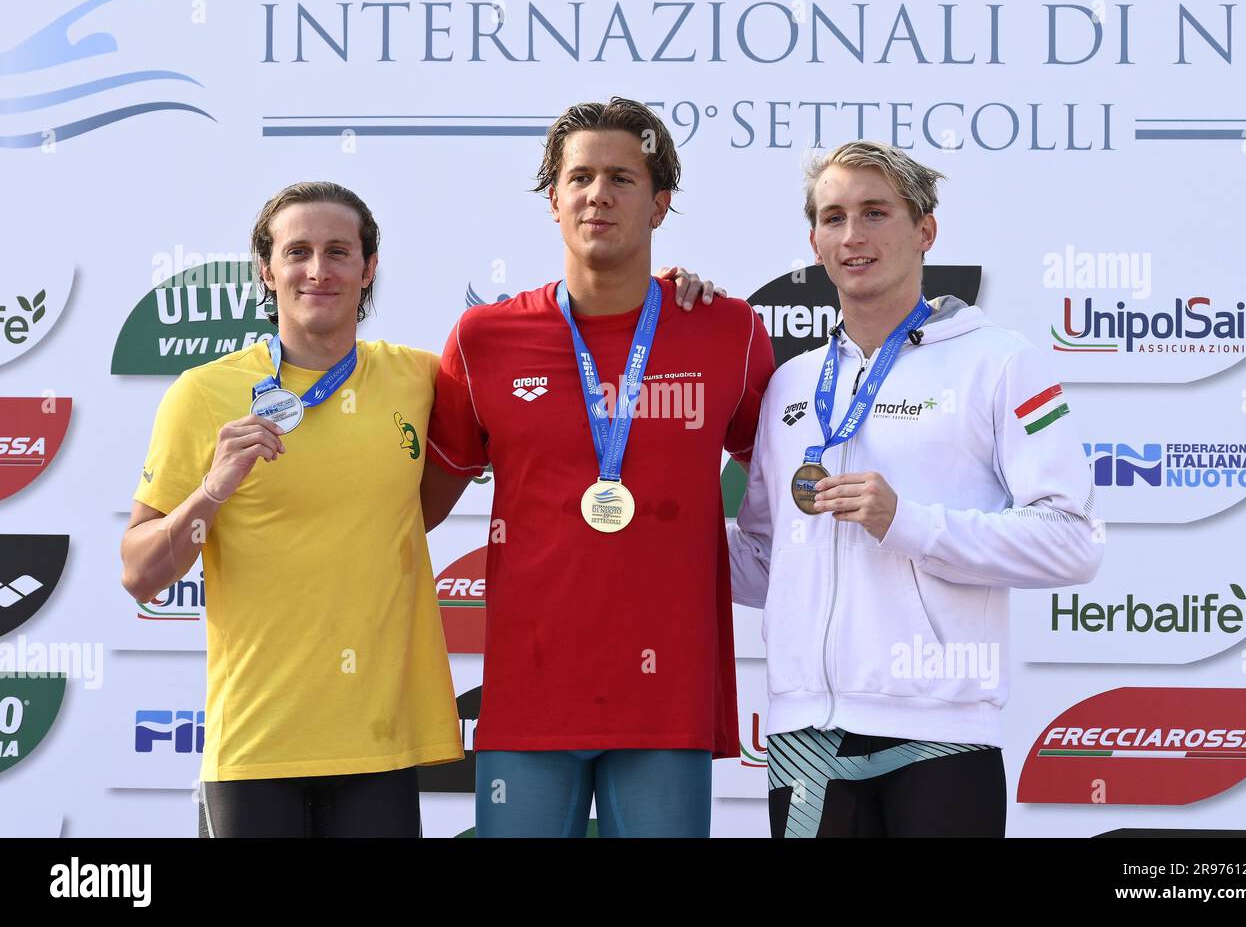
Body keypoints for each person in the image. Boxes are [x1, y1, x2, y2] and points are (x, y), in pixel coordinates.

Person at [422, 97, 775, 837]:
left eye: (622, 176)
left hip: (665, 702)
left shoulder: (728, 330)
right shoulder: (484, 339)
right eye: (579, 176)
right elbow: (412, 507)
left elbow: (784, 485)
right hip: (529, 697)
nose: (598, 194)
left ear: (661, 204)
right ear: (552, 199)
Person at [727, 141, 1101, 838]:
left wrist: (911, 523)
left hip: (942, 733)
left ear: (925, 230)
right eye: (834, 217)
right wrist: (659, 536)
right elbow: (769, 560)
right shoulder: (792, 382)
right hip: (806, 732)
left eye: (876, 213)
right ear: (814, 240)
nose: (853, 236)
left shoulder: (1000, 362)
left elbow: (1073, 542)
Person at [120, 182, 465, 837]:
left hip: (378, 742)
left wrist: (672, 299)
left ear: (368, 270)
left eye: (339, 252)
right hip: (255, 746)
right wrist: (213, 488)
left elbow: (542, 367)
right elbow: (139, 573)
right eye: (297, 250)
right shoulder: (203, 393)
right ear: (266, 269)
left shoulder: (420, 379)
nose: (317, 269)